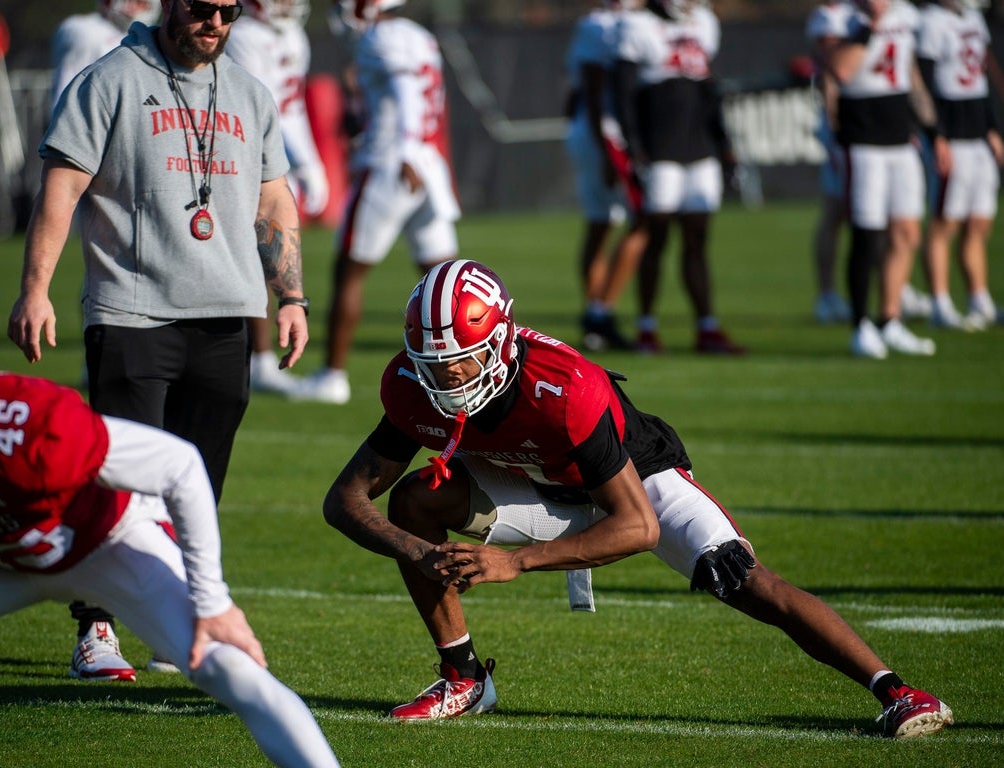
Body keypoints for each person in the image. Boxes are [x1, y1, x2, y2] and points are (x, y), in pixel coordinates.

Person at [322, 258, 953, 739]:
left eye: (458, 362)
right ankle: (463, 678)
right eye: (433, 365)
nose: (445, 379)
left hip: (635, 484)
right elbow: (345, 500)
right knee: (416, 501)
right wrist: (417, 551)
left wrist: (514, 562)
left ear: (499, 342)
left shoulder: (564, 388)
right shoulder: (415, 386)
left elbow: (636, 526)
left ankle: (897, 690)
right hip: (536, 484)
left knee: (742, 578)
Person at [0, 283, 339, 768]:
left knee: (228, 666)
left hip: (103, 544)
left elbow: (179, 465)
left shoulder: (29, 427)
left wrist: (213, 600)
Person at [8, 0, 308, 681]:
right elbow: (62, 189)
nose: (215, 22)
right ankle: (96, 627)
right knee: (118, 483)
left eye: (228, 11)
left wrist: (290, 297)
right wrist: (35, 290)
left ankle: (174, 628)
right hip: (130, 314)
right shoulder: (108, 78)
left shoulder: (248, 91)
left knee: (196, 488)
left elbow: (273, 202)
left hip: (226, 318)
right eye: (202, 8)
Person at [293, 0, 460, 405]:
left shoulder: (381, 37)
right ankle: (472, 370)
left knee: (349, 270)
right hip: (426, 163)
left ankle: (332, 375)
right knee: (443, 280)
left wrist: (405, 149)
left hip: (392, 163)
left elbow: (407, 93)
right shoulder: (417, 35)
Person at [813, 0, 949, 358]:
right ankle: (861, 325)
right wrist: (872, 23)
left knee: (907, 233)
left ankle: (889, 318)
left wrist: (935, 133)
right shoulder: (840, 18)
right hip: (862, 141)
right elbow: (840, 70)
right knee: (866, 235)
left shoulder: (905, 15)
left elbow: (912, 76)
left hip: (900, 138)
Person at [613, 0, 745, 355]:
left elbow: (709, 89)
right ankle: (646, 327)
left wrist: (725, 143)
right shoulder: (636, 25)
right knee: (655, 238)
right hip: (659, 149)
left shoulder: (702, 21)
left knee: (697, 240)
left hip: (699, 147)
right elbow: (623, 94)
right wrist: (633, 147)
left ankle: (707, 326)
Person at [226, 0, 330, 395]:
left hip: (270, 151)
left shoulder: (292, 34)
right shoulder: (246, 35)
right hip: (242, 149)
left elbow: (293, 107)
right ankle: (259, 360)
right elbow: (261, 107)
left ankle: (261, 360)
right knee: (250, 256)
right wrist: (298, 160)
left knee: (264, 252)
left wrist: (310, 161)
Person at [564, 0, 648, 353]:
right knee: (643, 220)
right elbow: (592, 86)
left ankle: (596, 318)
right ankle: (600, 314)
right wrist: (605, 150)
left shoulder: (611, 24)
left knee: (601, 224)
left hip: (600, 130)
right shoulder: (602, 25)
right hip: (607, 133)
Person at [916, 0, 1004, 330]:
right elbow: (923, 82)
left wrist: (993, 128)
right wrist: (935, 134)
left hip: (977, 134)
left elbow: (979, 80)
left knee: (979, 223)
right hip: (951, 135)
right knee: (945, 223)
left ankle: (979, 299)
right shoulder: (930, 22)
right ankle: (940, 302)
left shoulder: (973, 18)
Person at [805, 1, 854, 325]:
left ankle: (899, 287)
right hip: (847, 129)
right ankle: (826, 294)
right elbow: (830, 70)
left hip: (877, 122)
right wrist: (837, 129)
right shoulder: (831, 14)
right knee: (837, 211)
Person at [50, 0, 162, 114]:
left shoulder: (142, 38)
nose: (131, 9)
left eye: (141, 4)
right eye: (128, 1)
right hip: (84, 115)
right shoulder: (85, 30)